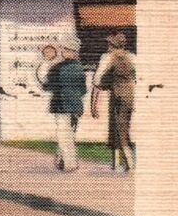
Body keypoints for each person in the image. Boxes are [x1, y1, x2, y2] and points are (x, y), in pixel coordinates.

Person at [38, 40, 86, 172]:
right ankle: (62, 160)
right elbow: (83, 90)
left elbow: (47, 87)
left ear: (69, 51)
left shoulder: (57, 68)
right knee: (69, 134)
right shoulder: (79, 68)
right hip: (76, 105)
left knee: (63, 135)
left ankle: (70, 163)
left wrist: (43, 82)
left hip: (61, 104)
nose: (62, 51)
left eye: (64, 49)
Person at [92, 32, 137, 172]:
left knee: (117, 129)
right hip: (130, 96)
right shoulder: (132, 57)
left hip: (116, 95)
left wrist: (93, 106)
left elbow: (97, 80)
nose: (107, 46)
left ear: (112, 45)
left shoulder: (107, 57)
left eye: (109, 44)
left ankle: (125, 161)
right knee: (123, 127)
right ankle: (120, 162)